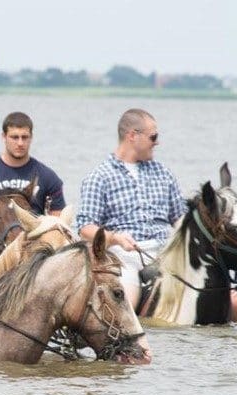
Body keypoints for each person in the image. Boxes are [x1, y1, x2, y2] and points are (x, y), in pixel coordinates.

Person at [75, 108, 192, 312]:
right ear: (132, 136)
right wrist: (116, 238)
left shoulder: (163, 172)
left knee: (231, 301)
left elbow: (180, 218)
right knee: (126, 305)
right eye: (153, 136)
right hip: (125, 254)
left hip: (166, 250)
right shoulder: (99, 177)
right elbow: (85, 228)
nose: (157, 142)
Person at [0, 111, 66, 271]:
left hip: (34, 247)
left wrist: (32, 243)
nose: (20, 143)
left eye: (25, 137)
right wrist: (6, 242)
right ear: (4, 137)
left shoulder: (47, 176)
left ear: (31, 137)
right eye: (14, 137)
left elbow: (58, 220)